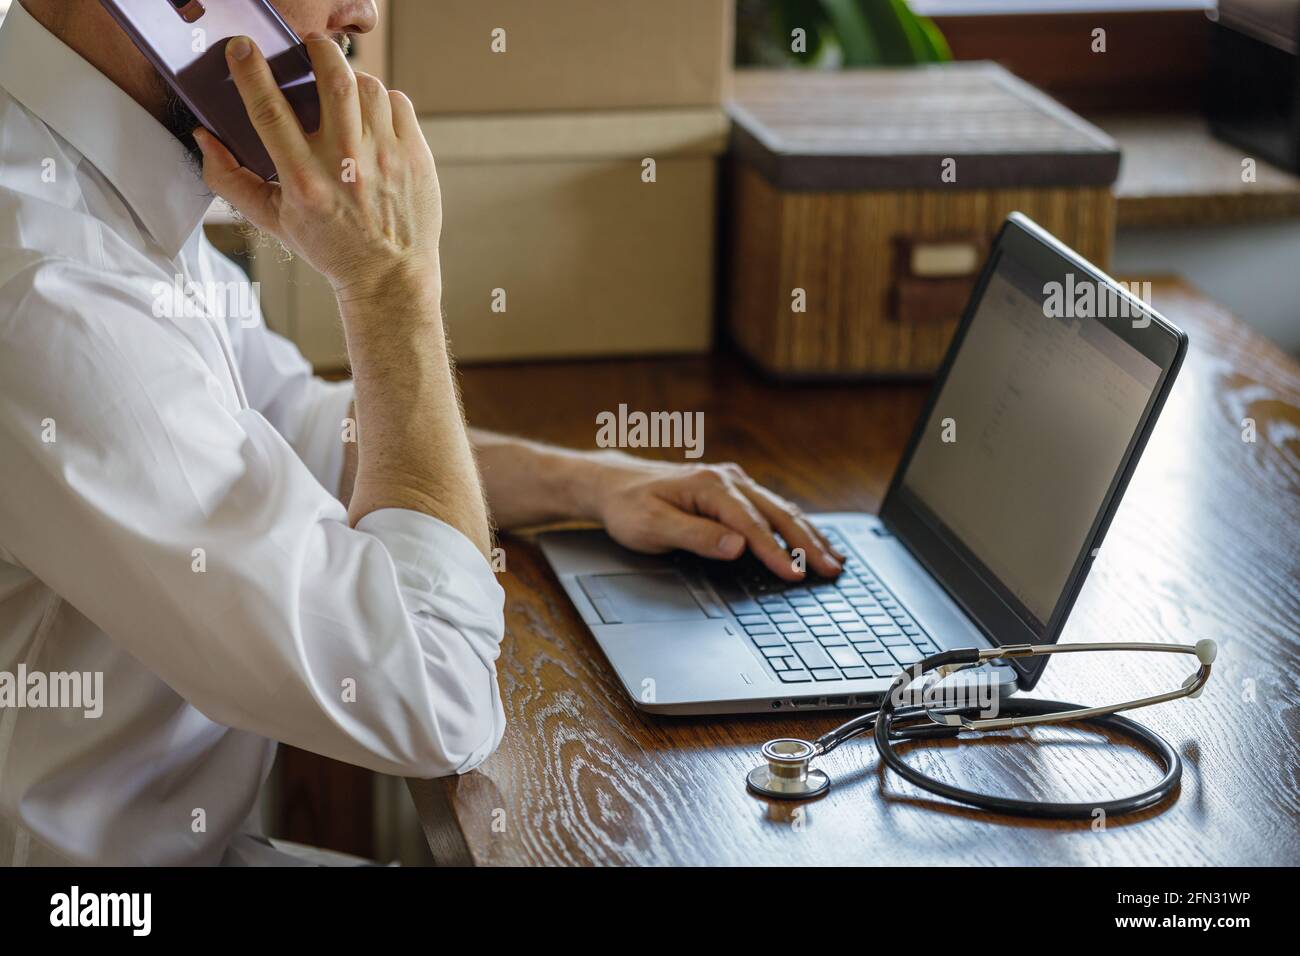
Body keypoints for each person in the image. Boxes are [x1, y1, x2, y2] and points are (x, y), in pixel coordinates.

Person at [0, 0, 841, 865]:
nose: (365, 11)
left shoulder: (85, 176)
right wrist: (394, 290)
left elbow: (300, 430)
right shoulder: (49, 290)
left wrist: (589, 482)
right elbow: (437, 699)